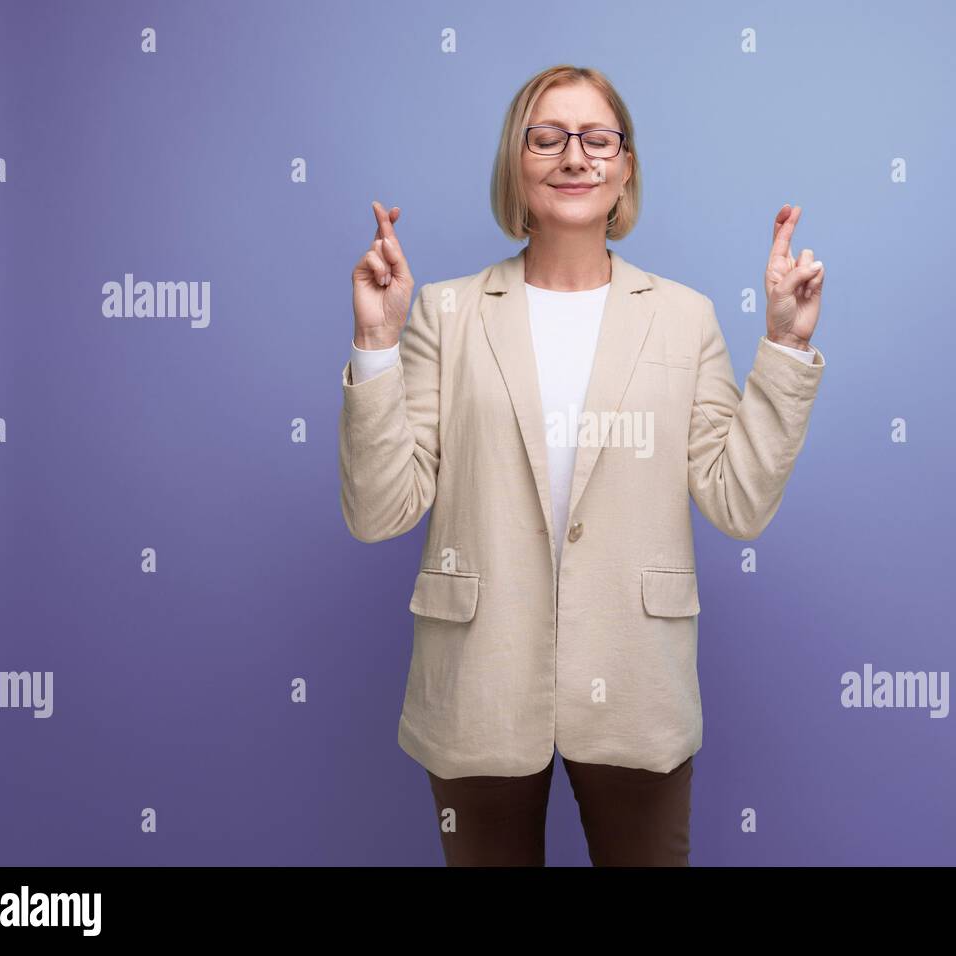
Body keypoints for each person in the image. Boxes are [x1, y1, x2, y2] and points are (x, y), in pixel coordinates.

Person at [338, 64, 827, 866]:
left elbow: (738, 501)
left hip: (637, 684)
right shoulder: (446, 313)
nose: (575, 156)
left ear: (624, 166)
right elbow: (379, 511)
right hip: (479, 687)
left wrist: (784, 345)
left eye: (598, 138)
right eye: (548, 137)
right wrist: (377, 344)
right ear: (516, 162)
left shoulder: (683, 316)